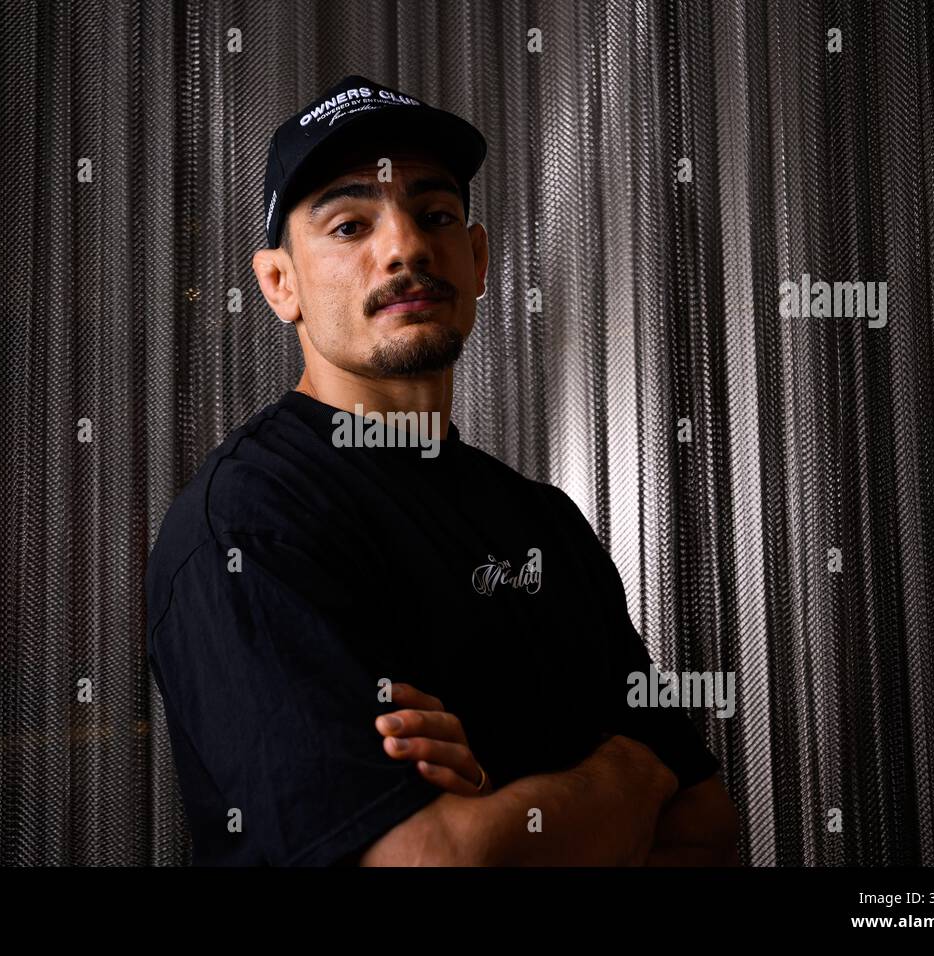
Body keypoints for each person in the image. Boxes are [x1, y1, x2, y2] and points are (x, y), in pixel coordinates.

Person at [144, 74, 738, 866]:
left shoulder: (545, 523)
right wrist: (627, 770)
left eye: (434, 215)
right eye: (351, 225)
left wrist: (498, 799)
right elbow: (426, 862)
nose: (406, 248)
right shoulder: (250, 522)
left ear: (478, 257)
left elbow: (705, 826)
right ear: (280, 283)